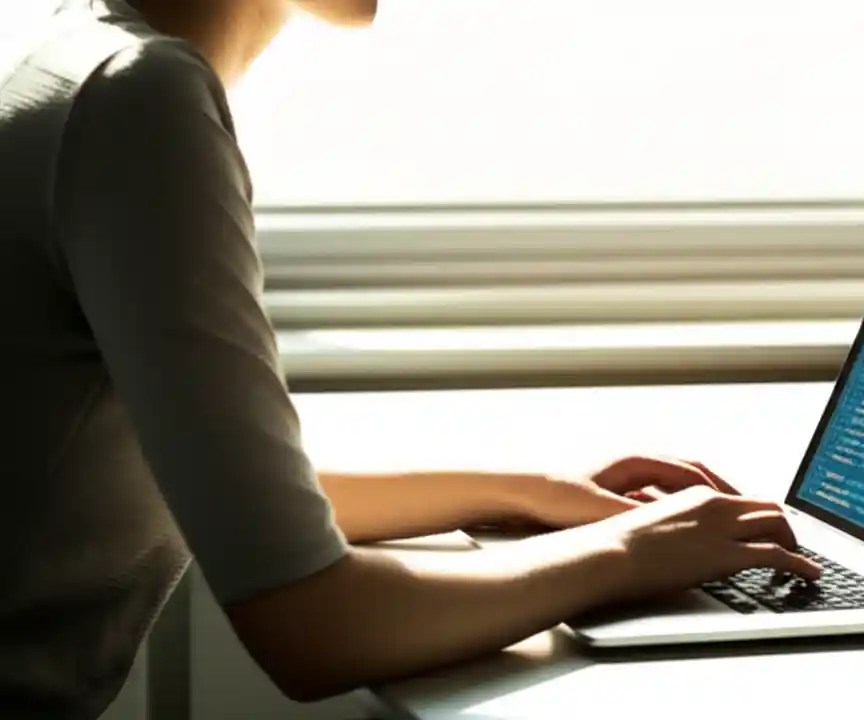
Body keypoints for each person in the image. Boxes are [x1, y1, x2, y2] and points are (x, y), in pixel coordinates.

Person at [0, 0, 821, 716]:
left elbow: (242, 500)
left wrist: (527, 493)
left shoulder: (77, 60)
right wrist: (633, 552)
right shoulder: (142, 103)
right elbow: (311, 625)